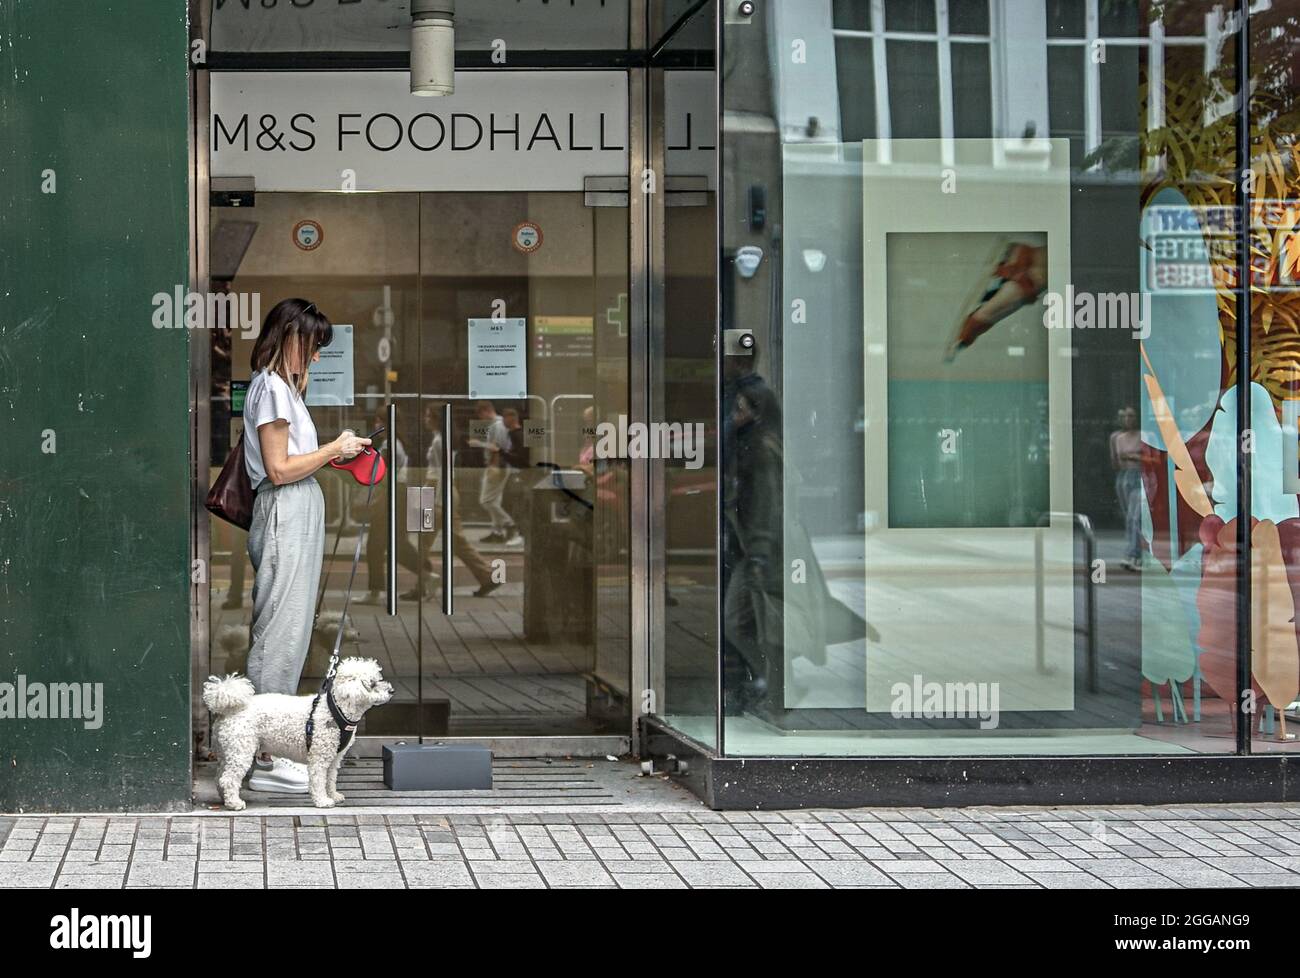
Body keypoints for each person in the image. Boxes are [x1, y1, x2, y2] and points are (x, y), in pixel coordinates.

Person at [241, 298, 370, 793]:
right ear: (292, 338)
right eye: (314, 346)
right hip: (285, 508)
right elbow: (278, 469)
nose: (317, 357)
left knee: (289, 630)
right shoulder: (272, 389)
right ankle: (267, 756)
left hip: (294, 509)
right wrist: (334, 448)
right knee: (280, 631)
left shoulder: (281, 390)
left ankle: (267, 751)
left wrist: (334, 454)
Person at [360, 408, 438, 603]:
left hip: (391, 495)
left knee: (375, 546)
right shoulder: (398, 442)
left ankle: (375, 592)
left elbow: (380, 473)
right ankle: (428, 575)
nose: (375, 425)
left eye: (378, 421)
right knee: (399, 544)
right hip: (400, 494)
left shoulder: (389, 444)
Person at [425, 404, 500, 598]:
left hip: (437, 493)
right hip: (446, 492)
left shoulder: (439, 441)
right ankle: (487, 576)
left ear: (435, 419)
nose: (424, 419)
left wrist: (430, 498)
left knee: (422, 542)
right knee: (458, 542)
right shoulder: (444, 439)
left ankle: (422, 584)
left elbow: (439, 473)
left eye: (427, 415)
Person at [473, 400, 521, 545]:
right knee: (494, 501)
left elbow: (498, 448)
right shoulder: (499, 425)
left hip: (497, 466)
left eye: (481, 415)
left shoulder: (498, 426)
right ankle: (497, 532)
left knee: (486, 500)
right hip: (499, 466)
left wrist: (479, 444)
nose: (481, 419)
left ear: (485, 411)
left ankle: (510, 525)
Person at [1110, 405, 1146, 571]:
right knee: (1129, 516)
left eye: (1131, 416)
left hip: (1139, 475)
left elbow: (1148, 457)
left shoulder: (1143, 435)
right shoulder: (1118, 438)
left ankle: (1135, 554)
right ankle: (1132, 552)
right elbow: (1117, 460)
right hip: (1125, 476)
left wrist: (1132, 456)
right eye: (1125, 416)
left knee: (1135, 516)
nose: (1128, 419)